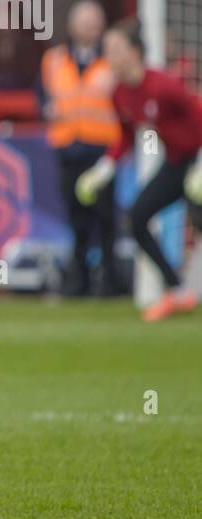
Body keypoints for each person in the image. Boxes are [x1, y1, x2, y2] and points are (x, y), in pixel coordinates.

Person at [76, 20, 202, 321]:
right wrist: (103, 168)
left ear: (134, 52)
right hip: (177, 163)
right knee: (137, 219)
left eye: (114, 48)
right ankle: (177, 291)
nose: (108, 55)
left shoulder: (165, 86)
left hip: (198, 158)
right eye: (106, 49)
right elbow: (125, 137)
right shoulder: (119, 93)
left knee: (198, 216)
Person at [37, 0, 124, 297]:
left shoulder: (111, 60)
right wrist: (46, 109)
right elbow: (42, 96)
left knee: (106, 219)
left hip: (102, 152)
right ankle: (78, 282)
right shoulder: (54, 59)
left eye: (98, 22)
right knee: (76, 220)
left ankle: (111, 282)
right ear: (73, 25)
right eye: (88, 22)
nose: (94, 28)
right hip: (68, 149)